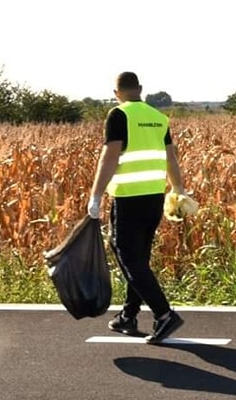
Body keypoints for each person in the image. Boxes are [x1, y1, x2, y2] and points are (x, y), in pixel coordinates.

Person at [87, 71, 189, 345]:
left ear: (116, 93)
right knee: (139, 258)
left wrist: (95, 195)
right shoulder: (158, 118)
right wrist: (178, 189)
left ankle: (164, 313)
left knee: (128, 258)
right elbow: (171, 158)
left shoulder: (119, 115)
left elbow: (109, 158)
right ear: (140, 89)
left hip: (128, 198)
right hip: (154, 197)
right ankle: (128, 315)